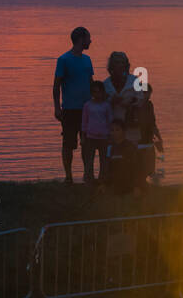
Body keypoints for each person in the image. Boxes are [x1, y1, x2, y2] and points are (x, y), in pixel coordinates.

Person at [53, 26, 94, 184]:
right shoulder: (63, 60)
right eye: (88, 38)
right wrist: (57, 107)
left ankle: (87, 175)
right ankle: (68, 176)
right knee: (68, 144)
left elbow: (90, 83)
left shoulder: (87, 59)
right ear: (80, 39)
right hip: (70, 109)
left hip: (86, 109)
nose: (90, 41)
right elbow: (56, 86)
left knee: (87, 143)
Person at [131, 84, 163, 186]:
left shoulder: (149, 105)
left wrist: (159, 139)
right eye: (145, 93)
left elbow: (153, 123)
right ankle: (139, 185)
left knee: (150, 167)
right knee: (138, 165)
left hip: (148, 139)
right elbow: (130, 125)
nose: (148, 96)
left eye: (149, 94)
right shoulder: (132, 107)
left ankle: (146, 184)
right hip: (136, 141)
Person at [80, 80, 112, 183]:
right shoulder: (87, 105)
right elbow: (84, 122)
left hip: (104, 137)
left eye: (99, 92)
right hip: (90, 137)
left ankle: (103, 180)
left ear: (103, 92)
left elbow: (110, 120)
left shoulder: (106, 105)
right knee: (89, 161)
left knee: (104, 161)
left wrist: (110, 136)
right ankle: (89, 180)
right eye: (94, 92)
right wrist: (83, 137)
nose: (97, 94)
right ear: (91, 93)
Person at [103, 119, 141, 196]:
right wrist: (105, 184)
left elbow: (136, 167)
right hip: (115, 186)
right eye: (112, 130)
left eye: (117, 130)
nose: (114, 133)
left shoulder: (130, 147)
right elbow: (109, 168)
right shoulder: (110, 148)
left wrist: (137, 186)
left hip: (129, 186)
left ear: (124, 131)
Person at [103, 52, 138, 127]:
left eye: (122, 62)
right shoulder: (106, 83)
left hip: (132, 123)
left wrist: (129, 104)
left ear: (126, 65)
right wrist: (112, 102)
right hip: (112, 126)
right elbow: (102, 105)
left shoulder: (135, 80)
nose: (120, 65)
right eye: (117, 62)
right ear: (112, 65)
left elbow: (142, 100)